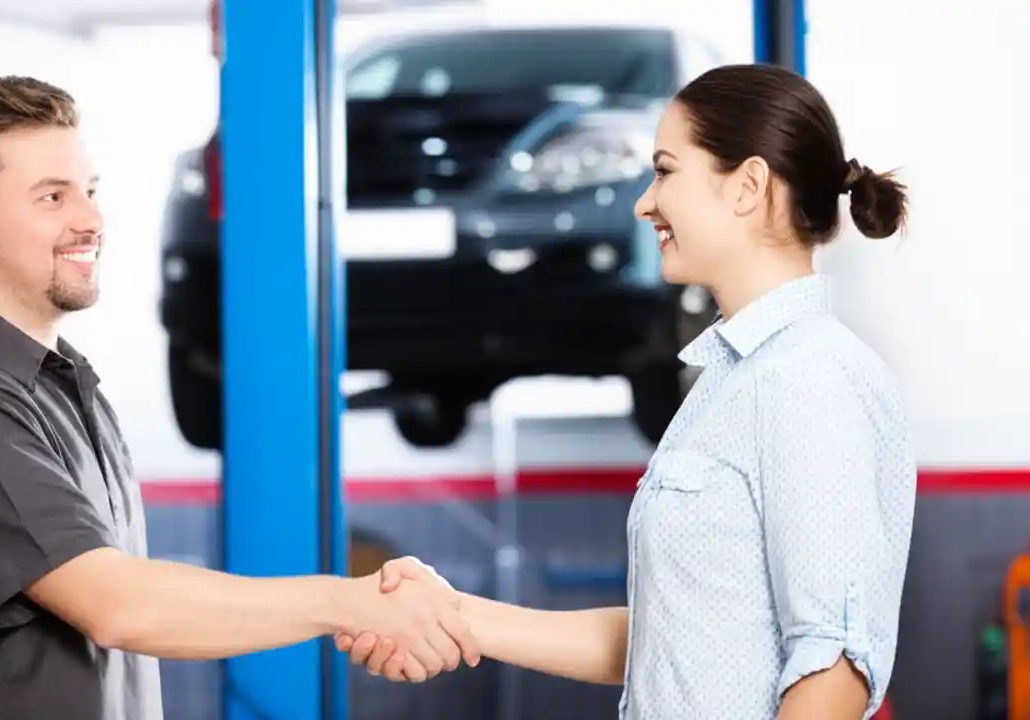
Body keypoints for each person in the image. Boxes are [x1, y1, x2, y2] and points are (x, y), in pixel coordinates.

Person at [0, 75, 478, 720]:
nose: (91, 220)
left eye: (90, 191)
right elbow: (118, 606)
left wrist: (358, 608)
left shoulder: (64, 385)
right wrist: (352, 604)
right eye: (52, 197)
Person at [336, 63, 916, 720]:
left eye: (665, 172)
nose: (644, 203)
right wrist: (454, 614)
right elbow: (666, 639)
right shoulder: (733, 380)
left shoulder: (809, 379)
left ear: (748, 186)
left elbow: (833, 670)